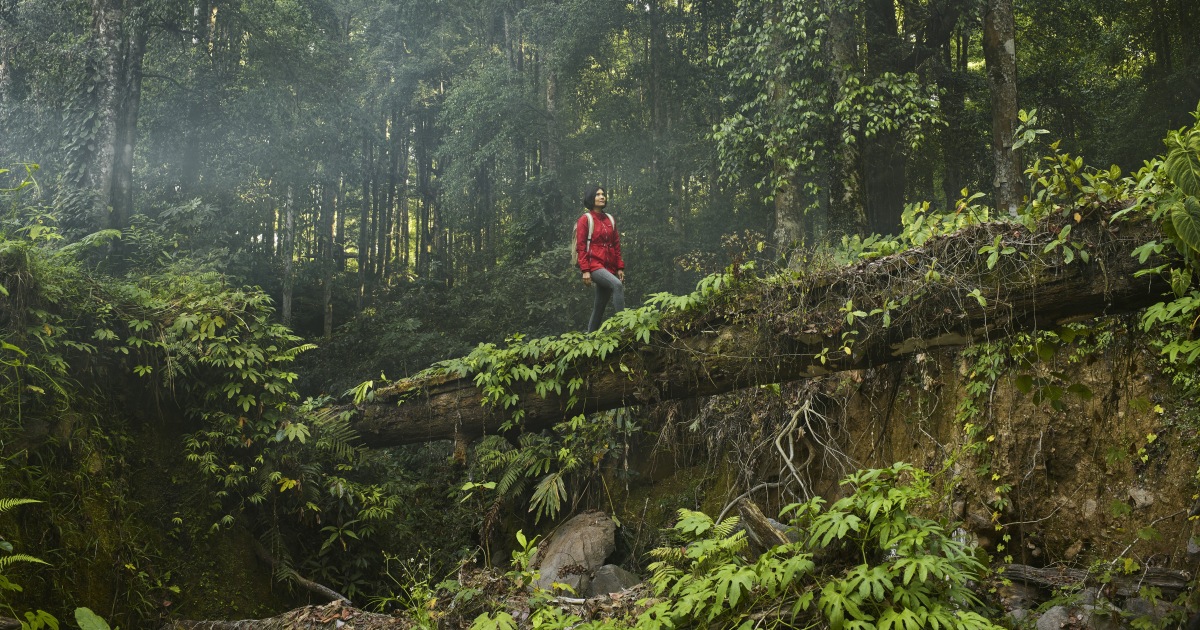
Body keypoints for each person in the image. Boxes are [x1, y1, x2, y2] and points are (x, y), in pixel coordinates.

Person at [575, 185, 625, 332]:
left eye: (603, 194)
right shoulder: (585, 219)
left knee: (599, 306)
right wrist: (585, 270)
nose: (602, 197)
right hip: (594, 265)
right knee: (617, 285)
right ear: (591, 198)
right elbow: (581, 246)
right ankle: (624, 329)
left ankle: (589, 337)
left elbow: (616, 244)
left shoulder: (610, 218)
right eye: (598, 194)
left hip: (609, 266)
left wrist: (620, 266)